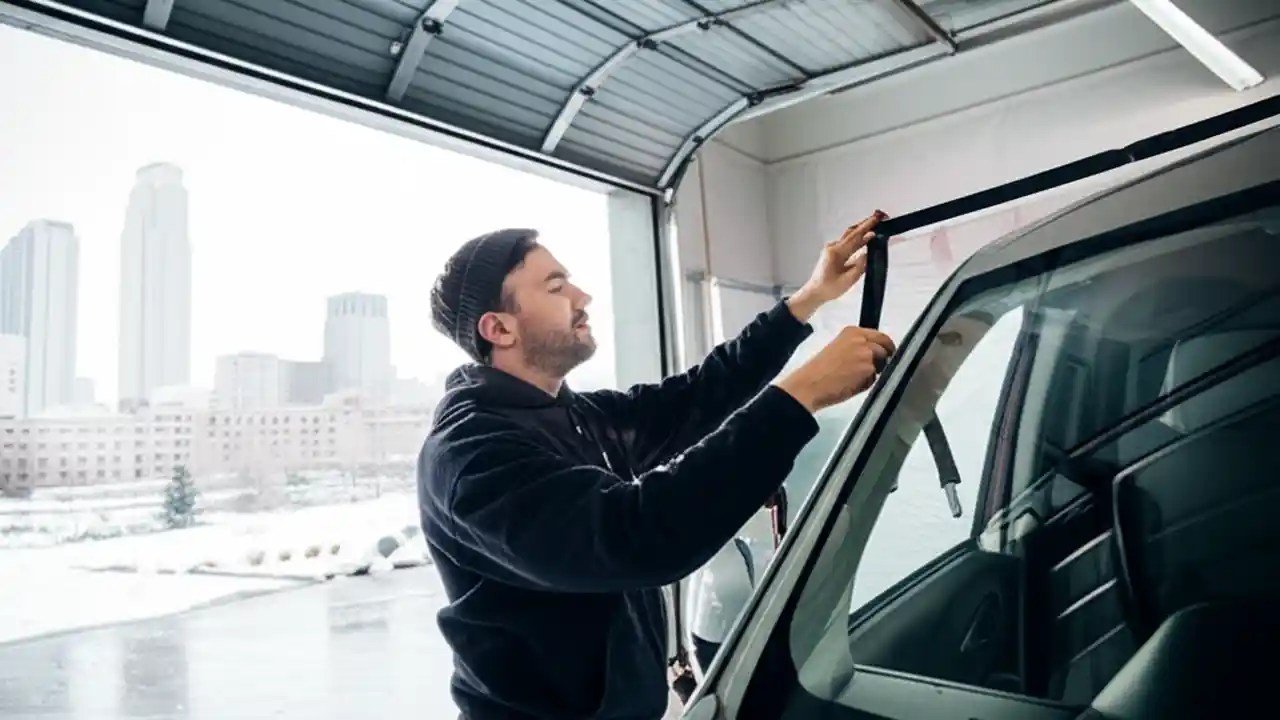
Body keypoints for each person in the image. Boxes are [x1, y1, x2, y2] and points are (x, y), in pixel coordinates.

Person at [420, 212, 895, 720]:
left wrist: (808, 300)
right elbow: (637, 536)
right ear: (498, 328)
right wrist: (801, 395)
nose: (582, 297)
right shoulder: (472, 455)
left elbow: (697, 395)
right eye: (556, 286)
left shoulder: (577, 416)